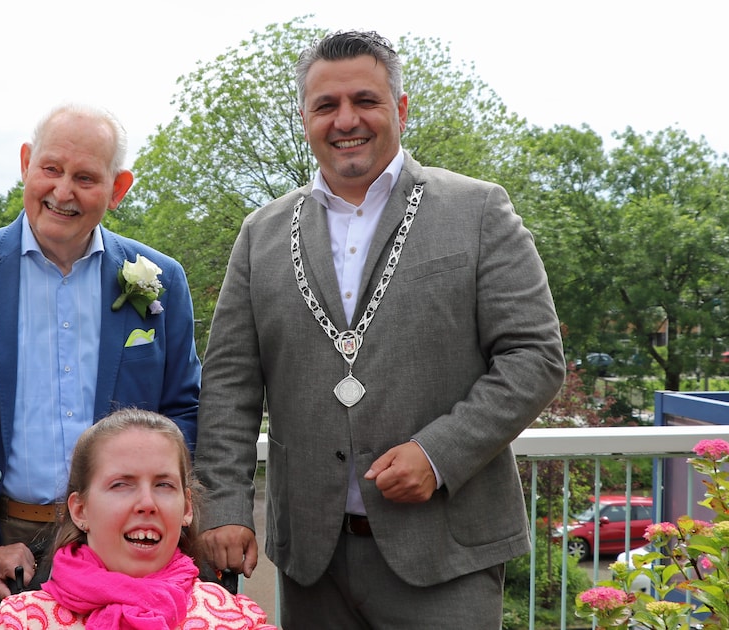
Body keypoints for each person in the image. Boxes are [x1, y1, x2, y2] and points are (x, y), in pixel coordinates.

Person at [194, 30, 565, 628]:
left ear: (401, 108)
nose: (346, 120)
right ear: (305, 118)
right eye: (326, 105)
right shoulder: (261, 234)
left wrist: (437, 454)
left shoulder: (477, 211)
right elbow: (229, 386)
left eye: (365, 100)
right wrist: (224, 506)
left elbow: (535, 357)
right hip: (312, 563)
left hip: (446, 554)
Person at [0, 103, 202, 629]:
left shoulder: (163, 278)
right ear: (26, 163)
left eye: (85, 178)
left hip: (122, 553)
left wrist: (149, 512)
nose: (62, 191)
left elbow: (183, 409)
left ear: (118, 189)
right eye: (50, 168)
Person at [0, 409, 275, 629]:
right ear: (80, 510)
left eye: (163, 485)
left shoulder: (235, 618)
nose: (147, 504)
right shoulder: (23, 619)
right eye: (121, 485)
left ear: (187, 507)